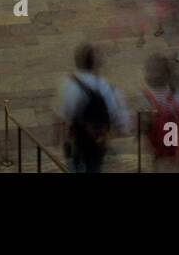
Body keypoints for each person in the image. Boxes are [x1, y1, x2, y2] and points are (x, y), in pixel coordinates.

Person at [56, 44, 130, 174]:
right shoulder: (105, 86)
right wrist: (122, 128)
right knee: (94, 168)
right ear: (95, 64)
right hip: (97, 141)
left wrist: (58, 136)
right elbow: (117, 114)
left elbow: (62, 115)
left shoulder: (68, 85)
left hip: (75, 140)